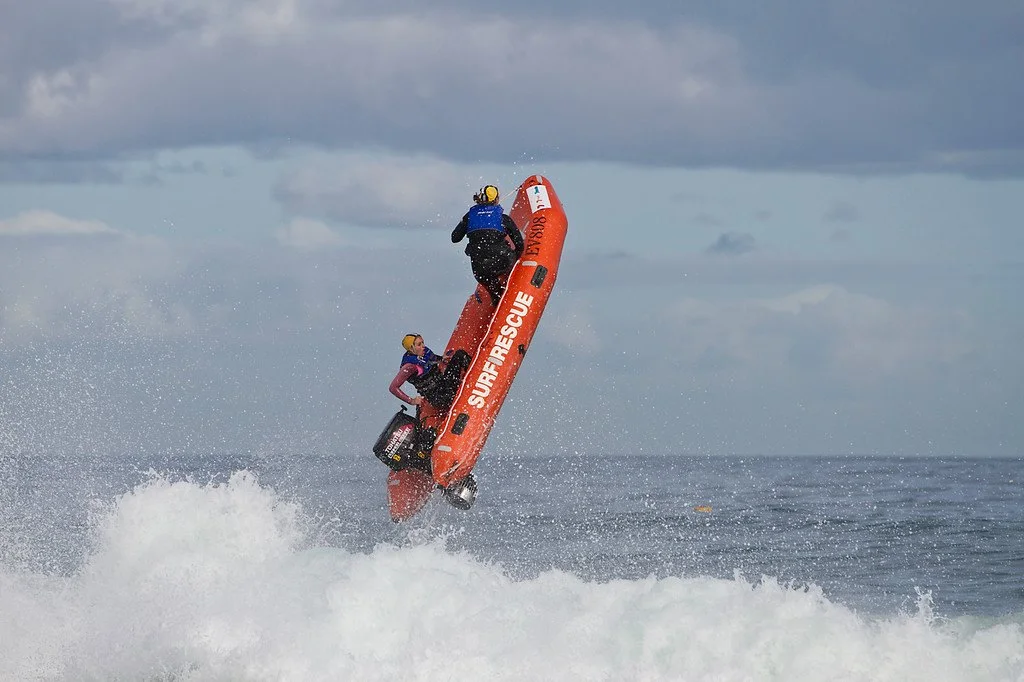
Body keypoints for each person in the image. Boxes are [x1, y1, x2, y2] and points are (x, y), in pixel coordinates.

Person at [451, 185, 525, 306]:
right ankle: (509, 289)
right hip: (503, 262)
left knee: (489, 281)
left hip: (480, 271)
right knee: (503, 252)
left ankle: (496, 298)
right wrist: (516, 258)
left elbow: (455, 238)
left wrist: (465, 222)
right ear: (496, 199)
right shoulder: (503, 218)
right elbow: (519, 244)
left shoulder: (469, 217)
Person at [389, 334, 471, 411]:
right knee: (449, 394)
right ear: (411, 349)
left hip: (444, 382)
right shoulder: (409, 366)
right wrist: (412, 401)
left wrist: (442, 358)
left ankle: (476, 374)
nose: (423, 346)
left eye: (422, 342)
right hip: (439, 397)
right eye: (419, 344)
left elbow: (431, 359)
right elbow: (393, 388)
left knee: (460, 354)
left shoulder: (423, 352)